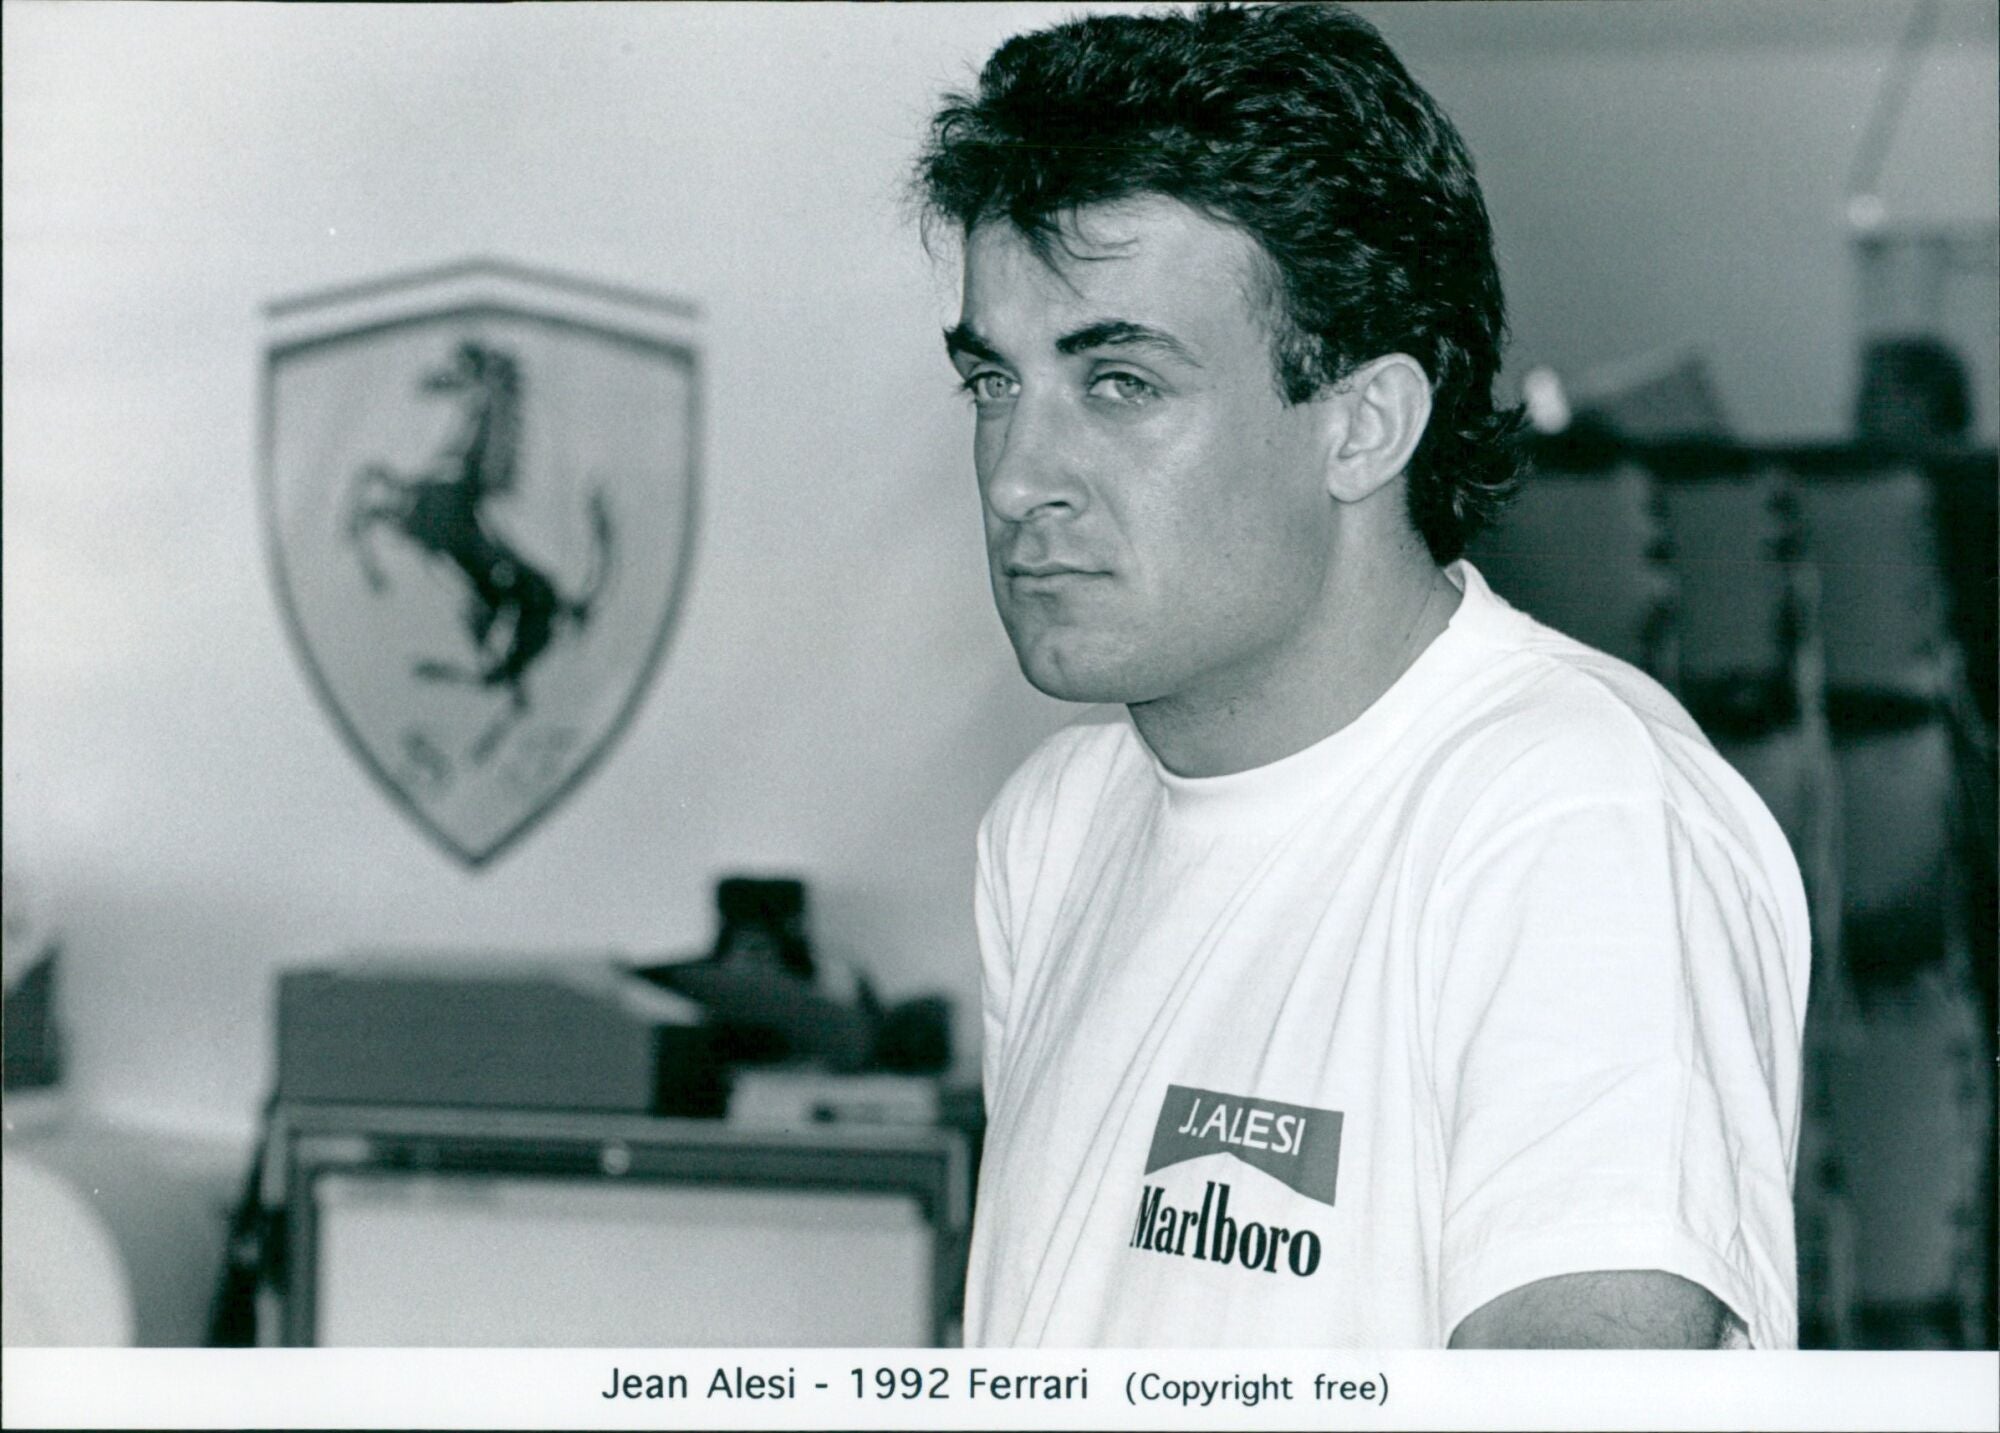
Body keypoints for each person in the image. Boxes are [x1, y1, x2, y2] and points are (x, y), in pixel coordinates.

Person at [915, 3, 1810, 1348]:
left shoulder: (1572, 818)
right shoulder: (1055, 825)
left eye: (1116, 382)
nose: (1019, 476)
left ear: (1363, 424)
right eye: (995, 381)